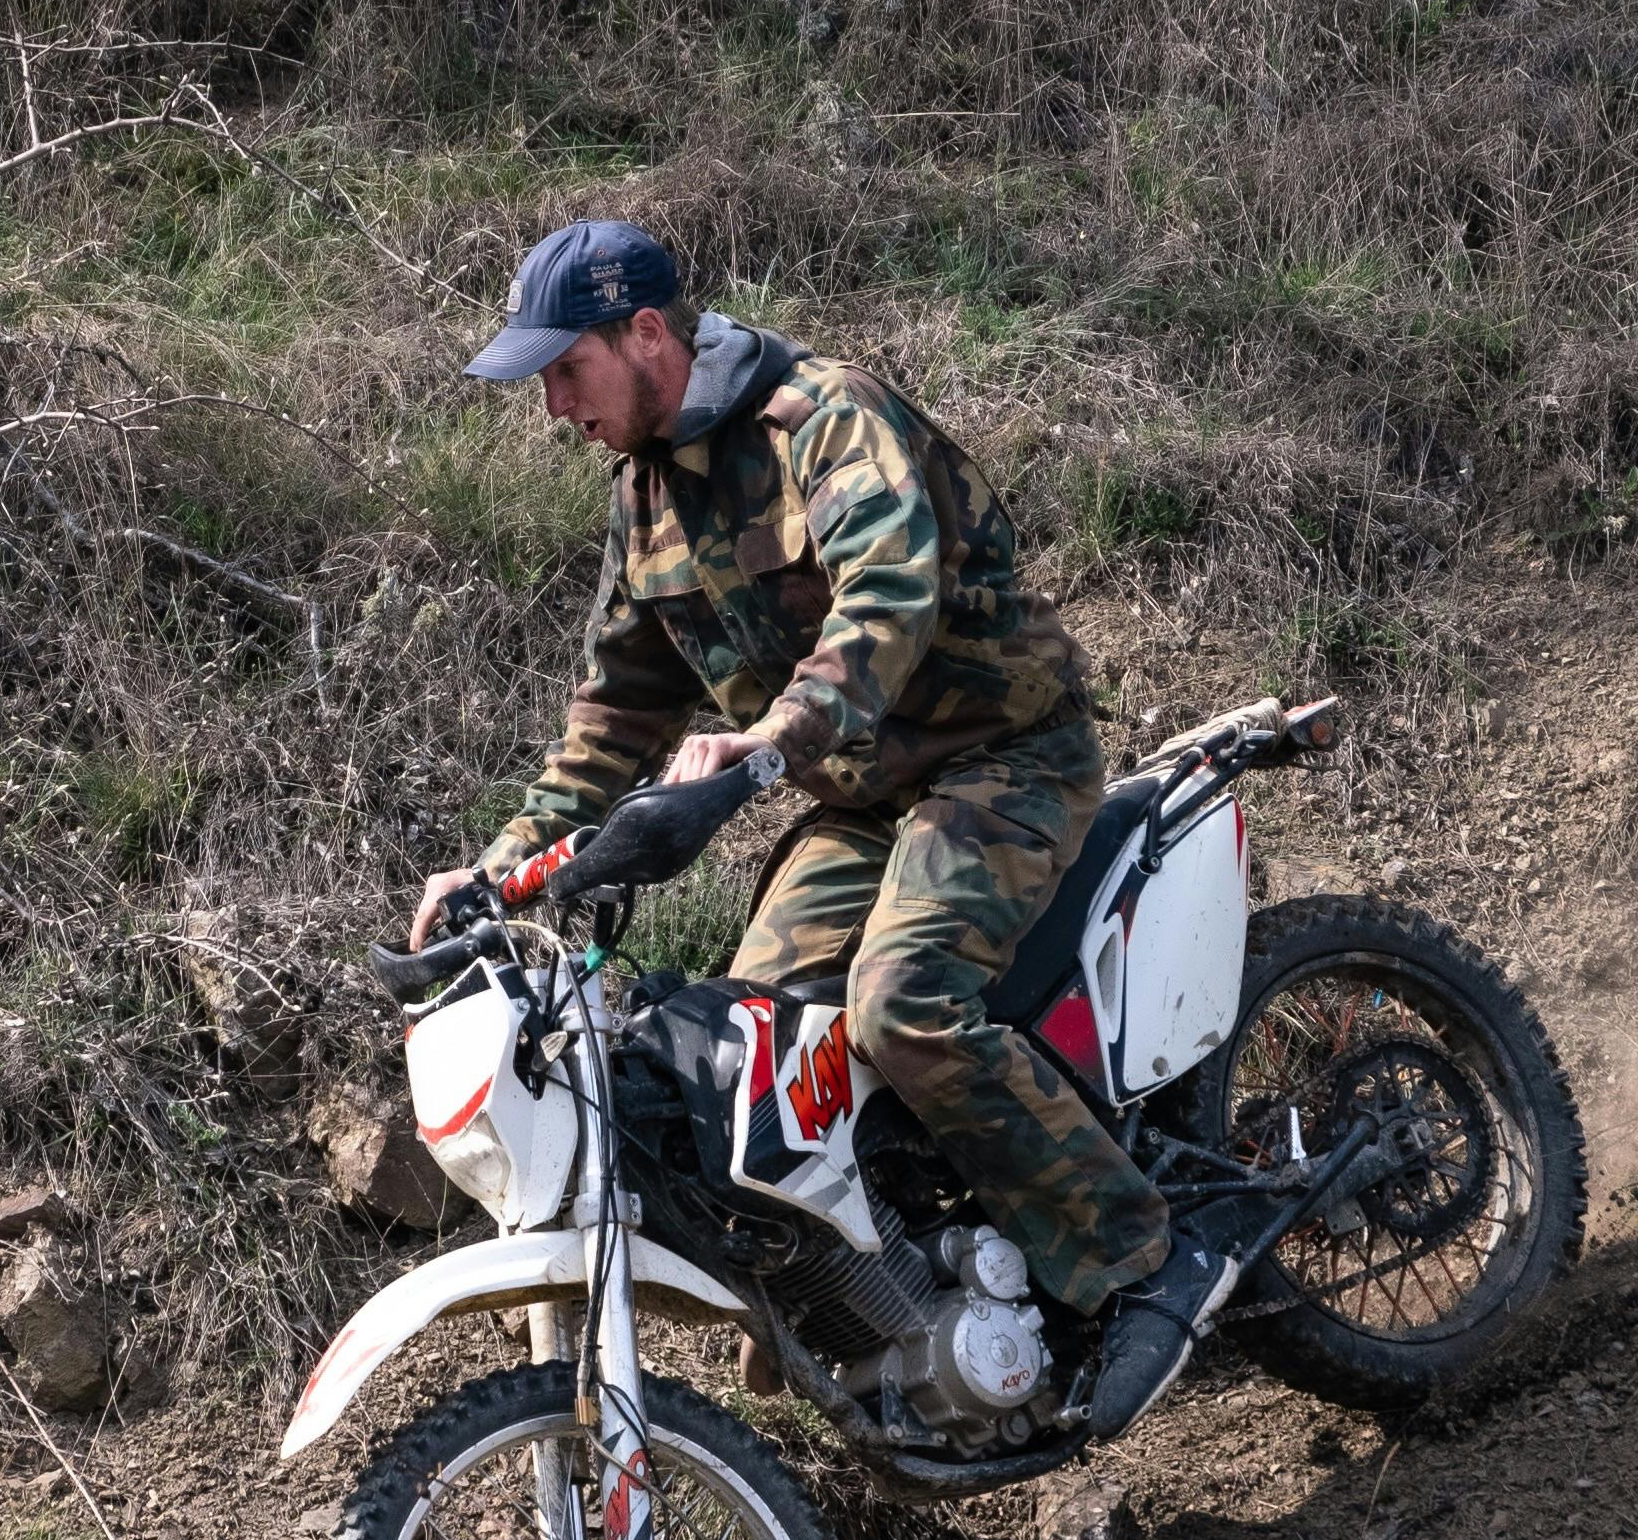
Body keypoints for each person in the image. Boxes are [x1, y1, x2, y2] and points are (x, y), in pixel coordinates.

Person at [418, 215, 1268, 1438]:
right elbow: (611, 714)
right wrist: (498, 872)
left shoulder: (824, 418)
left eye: (565, 369)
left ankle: (1142, 1256)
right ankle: (888, 1319)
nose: (553, 404)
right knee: (751, 1064)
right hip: (863, 798)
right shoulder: (644, 496)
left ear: (644, 333)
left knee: (902, 1004)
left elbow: (886, 597)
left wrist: (768, 745)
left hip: (1000, 755)